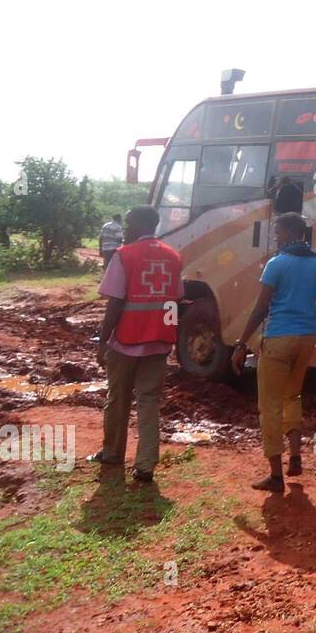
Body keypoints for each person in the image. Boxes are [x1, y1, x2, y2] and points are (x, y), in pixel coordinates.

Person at [231, 211, 316, 493]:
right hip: (307, 340)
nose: (276, 237)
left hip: (278, 339)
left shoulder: (276, 264)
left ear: (289, 232)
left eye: (278, 232)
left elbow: (261, 308)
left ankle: (276, 477)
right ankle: (296, 457)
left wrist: (241, 344)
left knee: (270, 405)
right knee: (293, 395)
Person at [88, 206, 183, 483]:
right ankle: (145, 465)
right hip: (158, 343)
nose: (124, 231)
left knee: (118, 399)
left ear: (141, 224)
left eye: (129, 224)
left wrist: (103, 341)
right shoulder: (174, 256)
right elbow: (175, 300)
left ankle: (112, 453)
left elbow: (115, 303)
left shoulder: (124, 256)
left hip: (126, 342)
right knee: (149, 402)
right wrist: (169, 332)